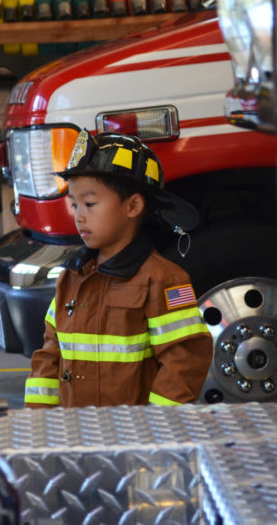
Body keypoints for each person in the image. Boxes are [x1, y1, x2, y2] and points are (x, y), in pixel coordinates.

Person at [24, 129, 212, 408]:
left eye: (90, 203)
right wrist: (40, 421)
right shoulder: (71, 278)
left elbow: (184, 362)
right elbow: (50, 355)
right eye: (74, 204)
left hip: (136, 439)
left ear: (133, 205)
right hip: (76, 434)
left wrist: (156, 428)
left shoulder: (165, 280)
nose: (79, 216)